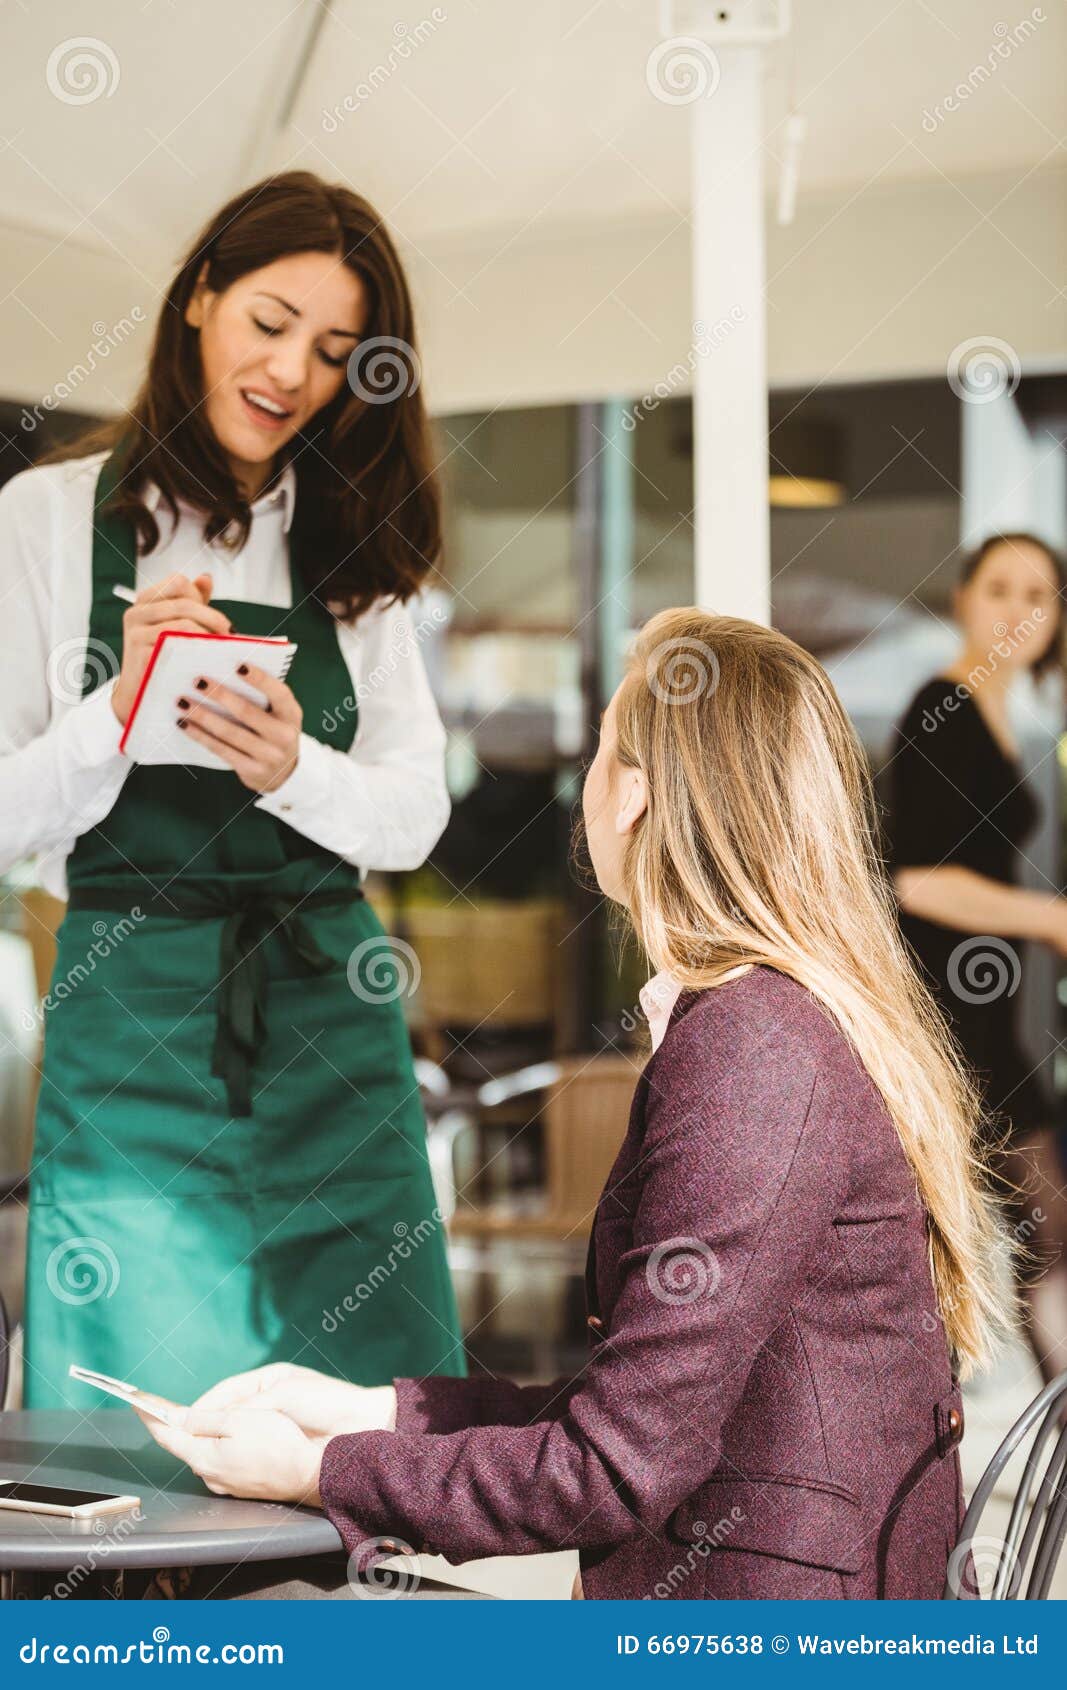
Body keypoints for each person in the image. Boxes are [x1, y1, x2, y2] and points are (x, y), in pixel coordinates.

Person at [136, 609, 1011, 1601]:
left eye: (599, 746)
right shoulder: (775, 1024)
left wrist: (314, 1471)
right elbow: (634, 1409)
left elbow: (611, 1467)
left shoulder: (756, 1048)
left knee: (253, 1621)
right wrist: (367, 1410)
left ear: (631, 793)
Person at [0, 171, 464, 1409]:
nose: (290, 373)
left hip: (330, 1010)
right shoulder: (45, 520)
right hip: (128, 1017)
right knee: (133, 1421)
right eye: (268, 323)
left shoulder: (357, 536)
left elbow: (414, 813)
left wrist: (290, 768)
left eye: (332, 350)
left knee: (361, 1413)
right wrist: (115, 710)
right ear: (197, 298)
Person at [886, 533, 1067, 1382]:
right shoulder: (944, 709)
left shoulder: (1000, 715)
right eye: (999, 588)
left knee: (1036, 1235)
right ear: (961, 601)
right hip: (945, 1017)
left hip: (986, 1022)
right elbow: (914, 883)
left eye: (1039, 594)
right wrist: (1049, 918)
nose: (1019, 610)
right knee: (1034, 1232)